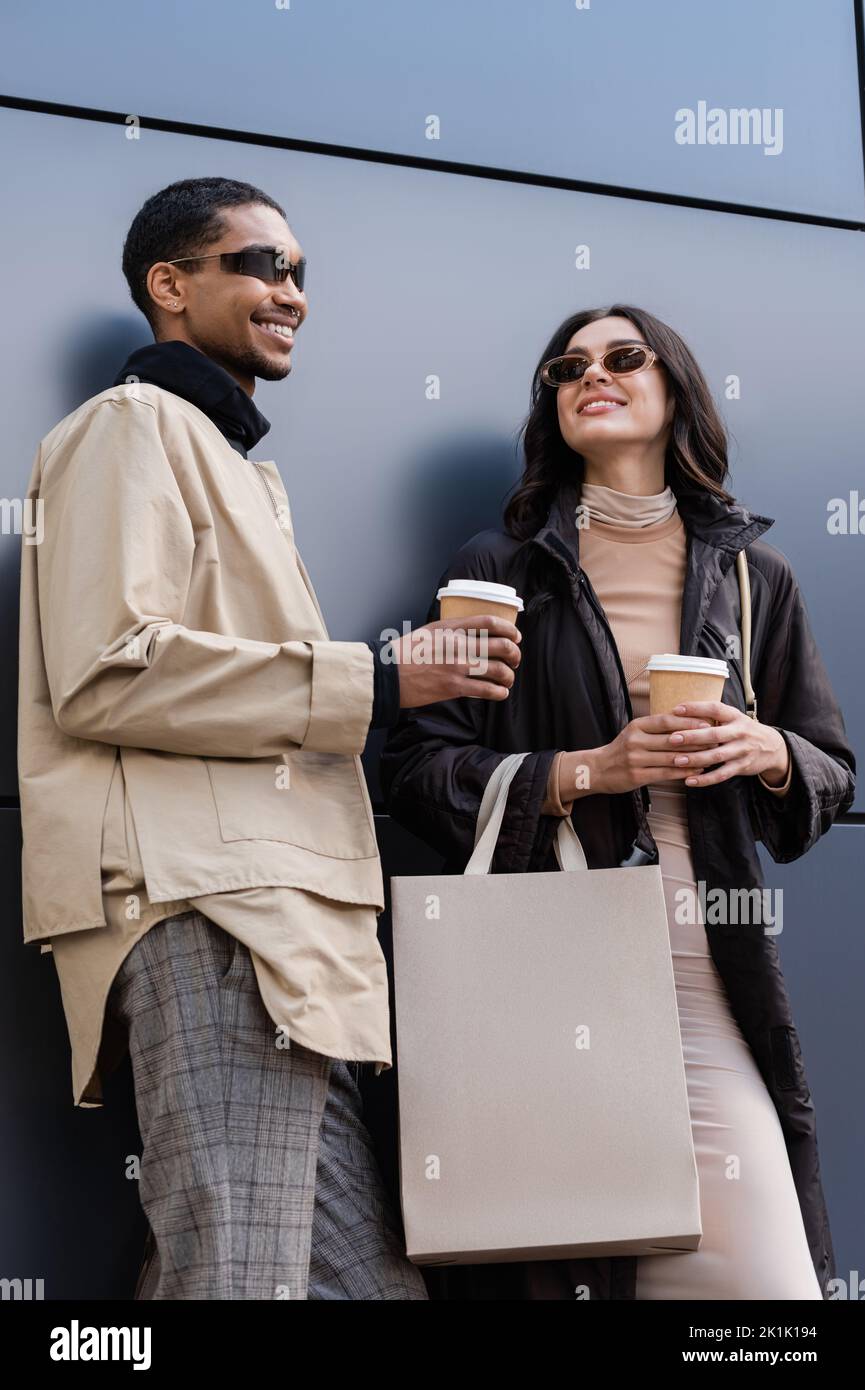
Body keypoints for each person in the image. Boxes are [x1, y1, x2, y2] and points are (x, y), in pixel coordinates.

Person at [16, 175, 522, 1300]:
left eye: (300, 272)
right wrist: (384, 677)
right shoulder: (128, 427)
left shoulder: (233, 465)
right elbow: (107, 672)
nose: (290, 291)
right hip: (212, 914)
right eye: (259, 264)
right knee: (235, 1270)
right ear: (170, 284)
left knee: (352, 1283)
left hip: (288, 934)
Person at [380, 303, 856, 1301]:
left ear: (674, 387)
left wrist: (765, 748)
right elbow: (417, 768)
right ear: (551, 408)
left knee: (767, 1295)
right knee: (569, 1266)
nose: (591, 373)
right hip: (550, 963)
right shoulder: (499, 570)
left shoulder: (753, 579)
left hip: (708, 967)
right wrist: (592, 769)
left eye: (623, 357)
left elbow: (829, 772)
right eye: (567, 367)